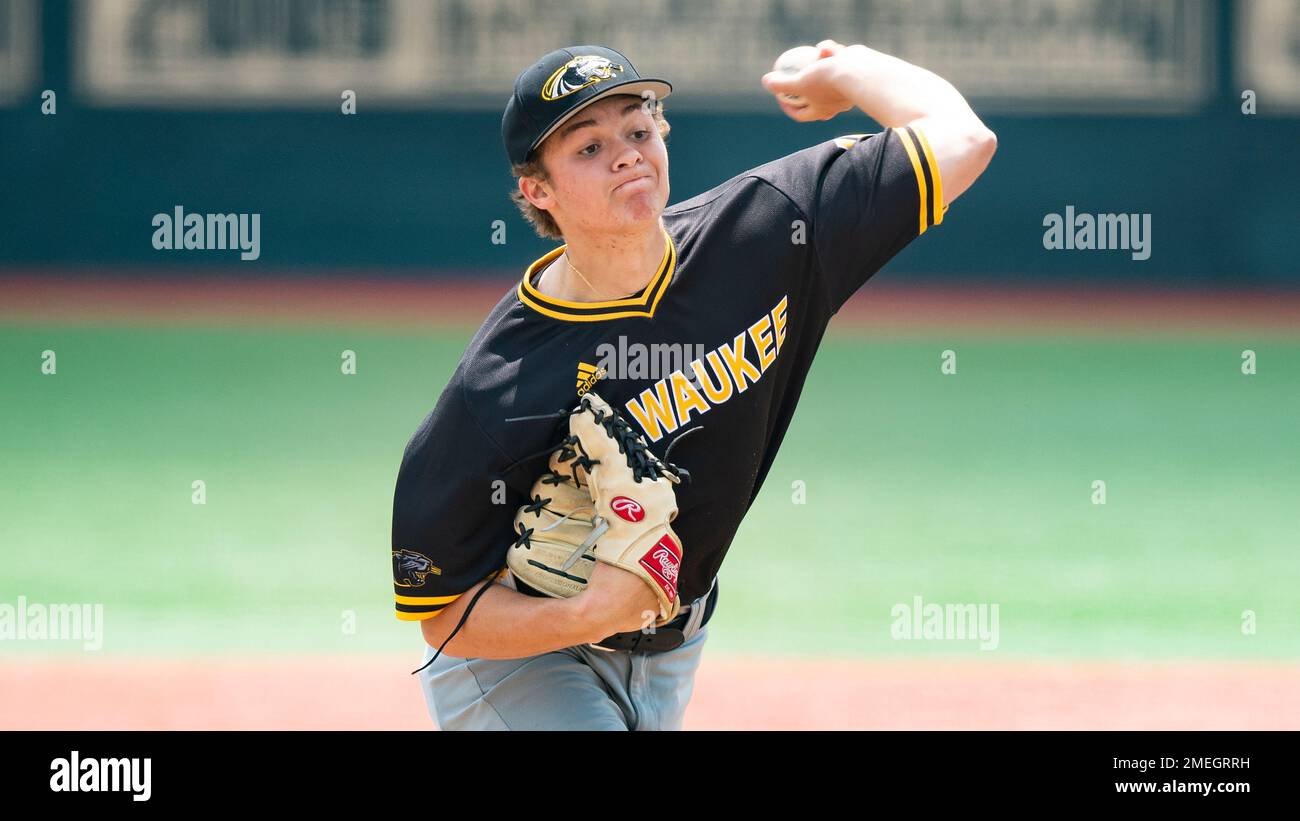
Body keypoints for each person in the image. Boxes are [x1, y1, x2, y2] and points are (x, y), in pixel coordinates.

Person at [391, 41, 996, 730]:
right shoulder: (500, 384)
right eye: (588, 148)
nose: (625, 154)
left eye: (638, 129)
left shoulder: (770, 233)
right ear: (538, 192)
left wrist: (848, 70)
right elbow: (441, 612)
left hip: (676, 647)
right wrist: (589, 611)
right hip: (518, 659)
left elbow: (964, 139)